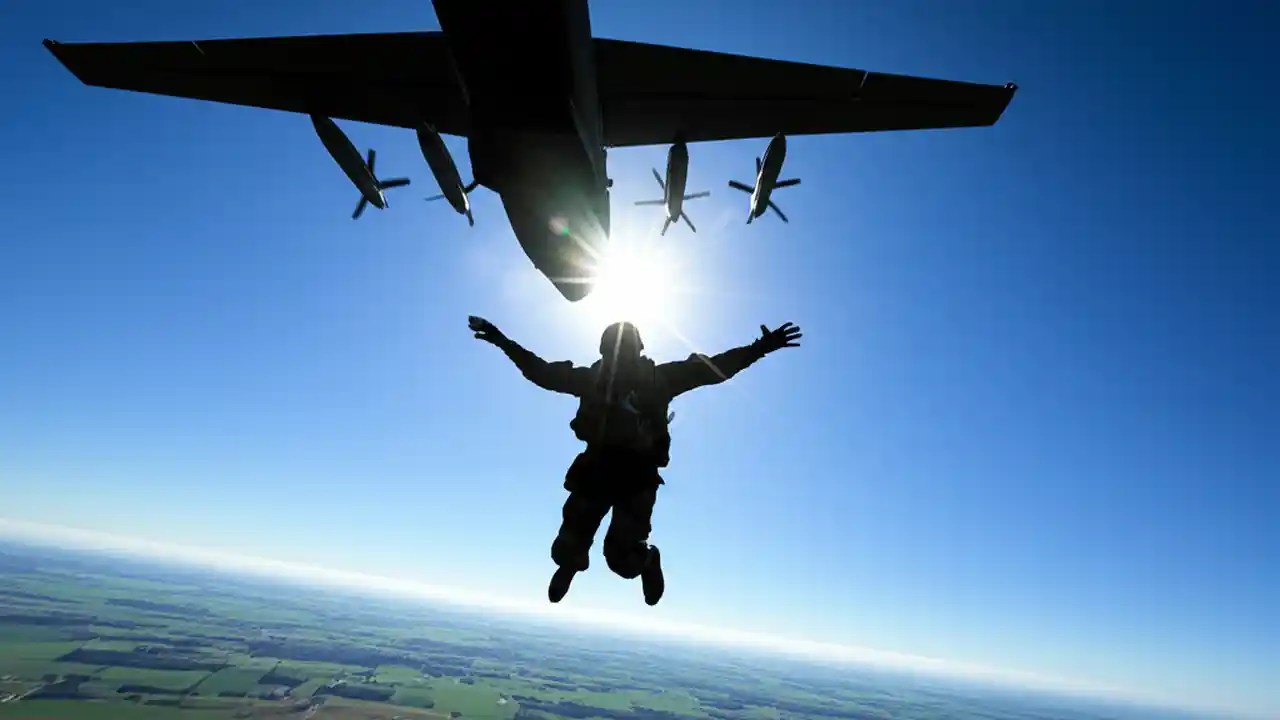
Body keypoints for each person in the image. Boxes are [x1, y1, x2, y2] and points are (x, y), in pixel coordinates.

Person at [468, 315, 803, 606]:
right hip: (598, 467)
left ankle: (646, 561)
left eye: (625, 352)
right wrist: (500, 340)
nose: (620, 361)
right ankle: (571, 564)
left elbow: (714, 369)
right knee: (570, 539)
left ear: (638, 352)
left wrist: (761, 347)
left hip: (636, 475)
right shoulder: (593, 380)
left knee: (621, 559)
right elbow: (539, 372)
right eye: (614, 353)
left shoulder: (659, 380)